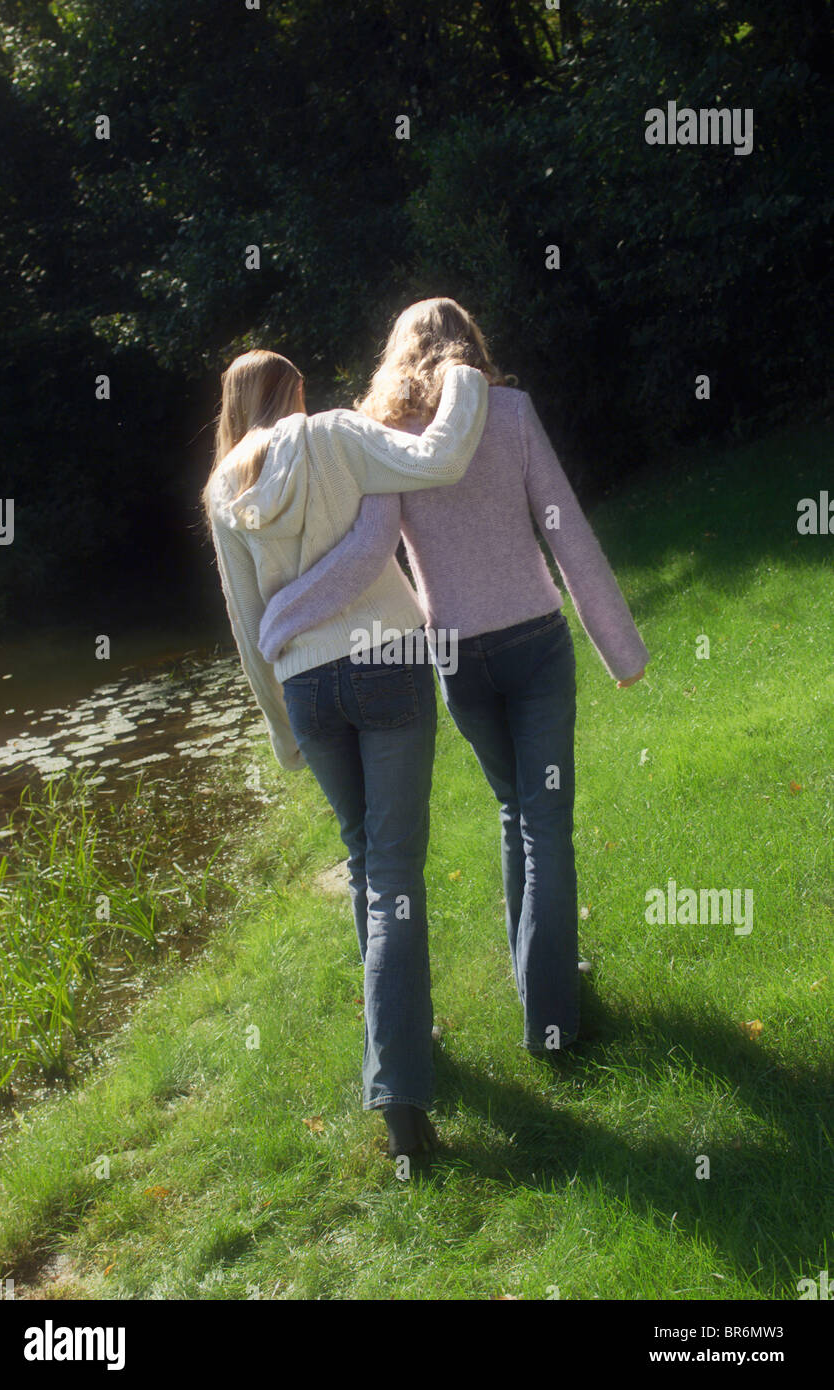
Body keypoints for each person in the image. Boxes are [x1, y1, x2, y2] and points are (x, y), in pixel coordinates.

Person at [257, 299, 649, 1064]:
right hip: (536, 642)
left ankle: (543, 983)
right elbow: (562, 523)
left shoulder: (383, 438)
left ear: (397, 352)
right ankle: (551, 1018)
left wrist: (283, 619)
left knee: (515, 812)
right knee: (545, 821)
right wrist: (621, 649)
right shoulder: (509, 411)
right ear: (472, 344)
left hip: (457, 657)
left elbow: (369, 553)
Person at [202, 349, 488, 1158]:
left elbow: (248, 624)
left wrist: (282, 730)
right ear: (295, 390)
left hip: (305, 685)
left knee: (365, 861)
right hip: (388, 661)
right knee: (392, 870)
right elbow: (442, 457)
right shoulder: (334, 432)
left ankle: (403, 1041)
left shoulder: (225, 488)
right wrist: (460, 374)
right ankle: (401, 1098)